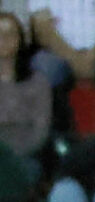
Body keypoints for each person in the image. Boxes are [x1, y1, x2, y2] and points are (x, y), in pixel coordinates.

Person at [0, 12, 52, 167]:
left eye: (10, 34)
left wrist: (11, 157)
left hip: (24, 158)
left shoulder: (37, 82)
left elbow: (40, 132)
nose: (4, 39)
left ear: (20, 39)